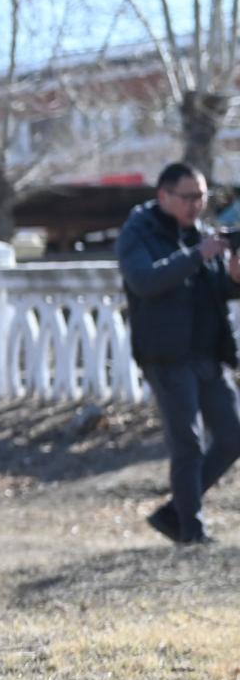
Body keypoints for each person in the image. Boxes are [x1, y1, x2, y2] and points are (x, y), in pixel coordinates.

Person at [118, 161, 240, 545]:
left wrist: (234, 277)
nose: (196, 205)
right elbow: (144, 281)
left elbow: (217, 291)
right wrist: (197, 255)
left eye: (202, 196)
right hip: (166, 355)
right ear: (164, 196)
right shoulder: (137, 233)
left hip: (207, 353)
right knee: (185, 443)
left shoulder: (200, 235)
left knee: (233, 437)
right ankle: (191, 529)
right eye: (188, 197)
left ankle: (175, 512)